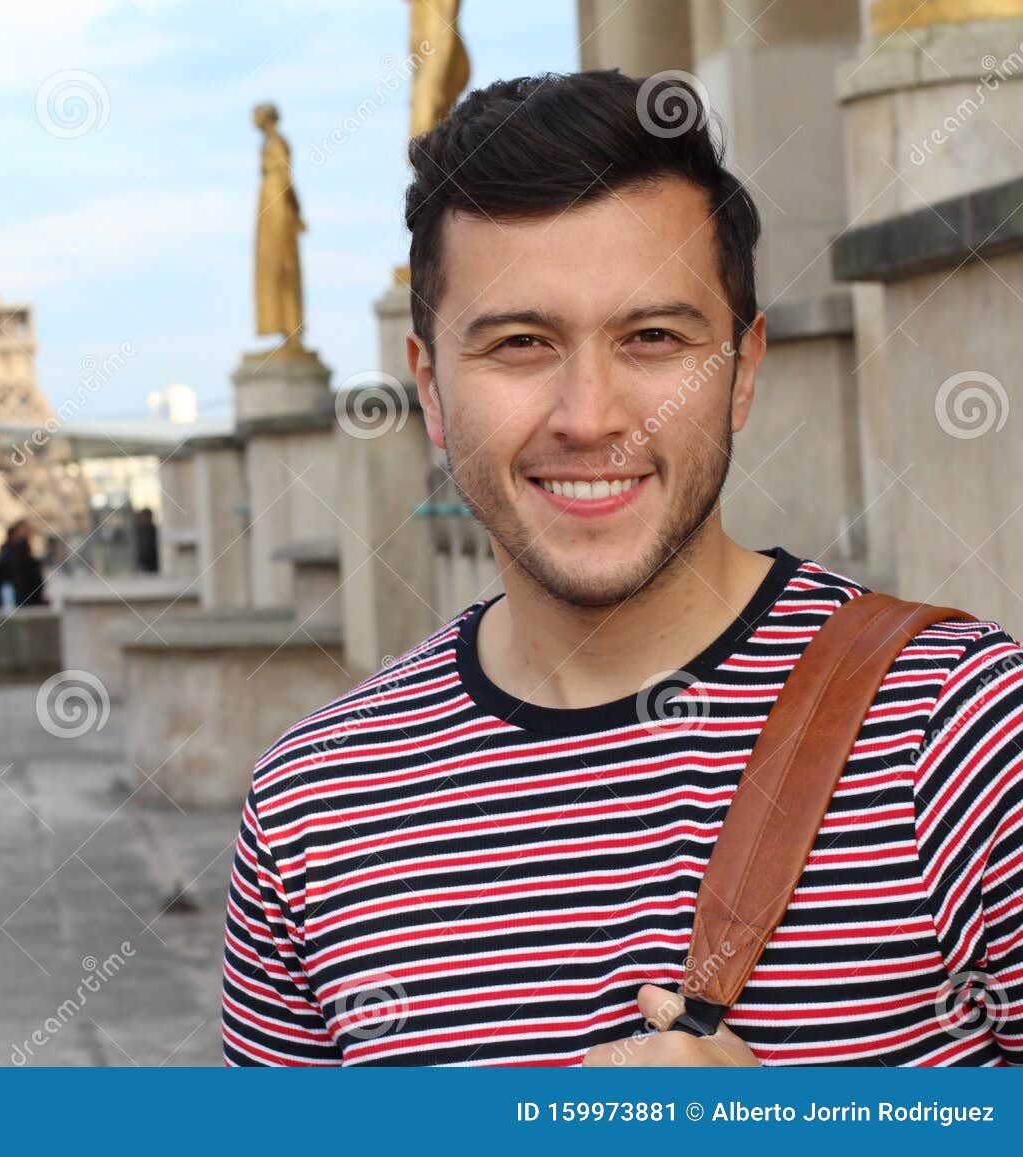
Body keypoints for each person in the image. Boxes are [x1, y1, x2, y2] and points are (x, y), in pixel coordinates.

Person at [220, 71, 1023, 1068]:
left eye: (652, 339)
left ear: (741, 368)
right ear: (429, 388)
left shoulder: (968, 733)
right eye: (521, 343)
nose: (589, 414)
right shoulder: (311, 805)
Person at [0, 521, 47, 609]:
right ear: (14, 534)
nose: (28, 534)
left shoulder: (24, 552)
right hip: (17, 602)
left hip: (30, 602)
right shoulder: (8, 555)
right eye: (24, 531)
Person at [133, 508, 159, 573]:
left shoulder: (153, 530)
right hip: (141, 564)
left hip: (153, 564)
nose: (142, 519)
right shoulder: (138, 530)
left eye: (144, 517)